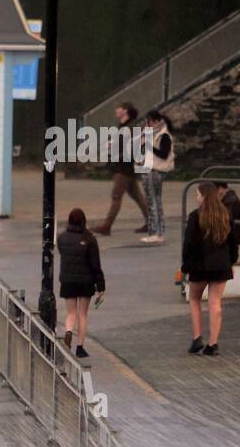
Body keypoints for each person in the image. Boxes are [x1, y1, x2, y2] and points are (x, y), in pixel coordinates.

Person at [182, 181, 238, 356]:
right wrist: (232, 261)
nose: (196, 198)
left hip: (199, 266)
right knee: (215, 302)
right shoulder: (225, 215)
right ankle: (213, 343)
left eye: (197, 195)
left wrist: (185, 266)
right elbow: (233, 243)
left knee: (195, 299)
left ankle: (197, 338)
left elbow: (188, 244)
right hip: (221, 266)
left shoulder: (194, 216)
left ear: (204, 196)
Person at [91, 102, 149, 236]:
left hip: (124, 167)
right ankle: (152, 222)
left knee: (116, 196)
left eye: (119, 108)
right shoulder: (125, 126)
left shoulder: (130, 127)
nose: (116, 110)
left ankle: (107, 226)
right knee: (137, 196)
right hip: (125, 166)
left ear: (125, 111)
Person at [57, 207, 106, 359]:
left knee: (71, 313)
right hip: (86, 282)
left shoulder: (62, 238)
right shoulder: (90, 238)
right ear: (83, 221)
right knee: (82, 314)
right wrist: (101, 286)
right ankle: (80, 347)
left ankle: (68, 331)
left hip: (68, 281)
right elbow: (95, 265)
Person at [140, 110, 175, 243]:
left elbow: (163, 154)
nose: (146, 124)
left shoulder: (163, 135)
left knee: (154, 202)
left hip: (156, 171)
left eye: (148, 122)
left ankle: (156, 232)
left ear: (154, 121)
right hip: (150, 170)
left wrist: (148, 145)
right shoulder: (154, 134)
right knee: (153, 202)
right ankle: (156, 231)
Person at [216, 181, 240, 246]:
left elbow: (225, 219)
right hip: (233, 236)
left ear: (220, 189)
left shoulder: (230, 200)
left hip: (233, 238)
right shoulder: (228, 198)